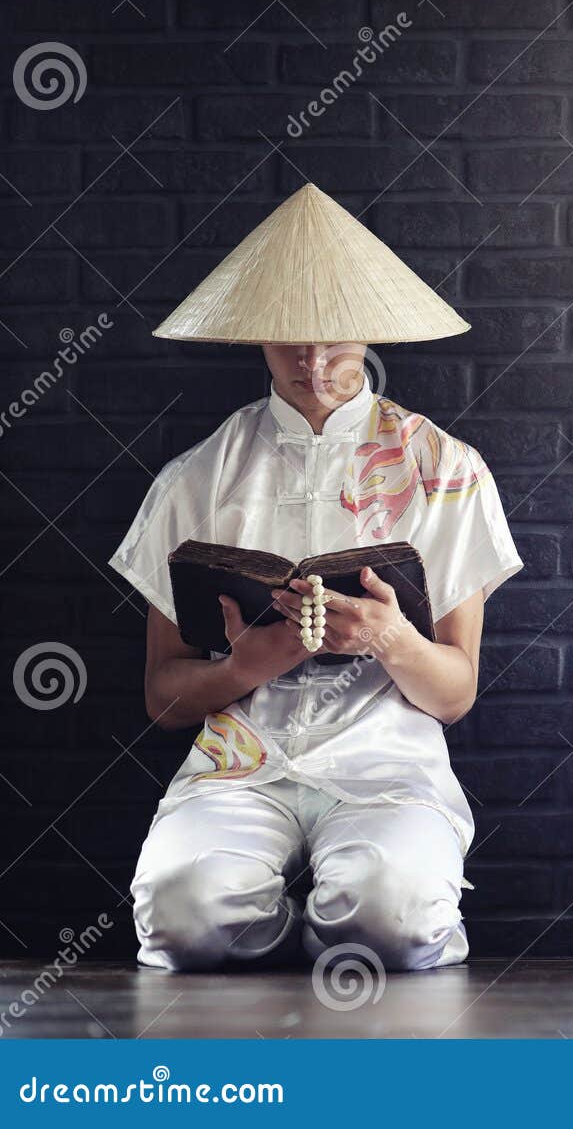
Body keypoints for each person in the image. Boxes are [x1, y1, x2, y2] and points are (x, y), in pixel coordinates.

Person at [110, 183, 522, 971]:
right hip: (241, 758)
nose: (311, 361)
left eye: (333, 337)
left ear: (368, 330)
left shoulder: (446, 472)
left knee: (392, 915)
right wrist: (240, 668)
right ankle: (278, 937)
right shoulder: (195, 479)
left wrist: (393, 637)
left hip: (388, 760)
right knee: (178, 915)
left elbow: (455, 692)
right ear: (257, 337)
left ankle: (349, 922)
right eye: (288, 339)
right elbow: (162, 699)